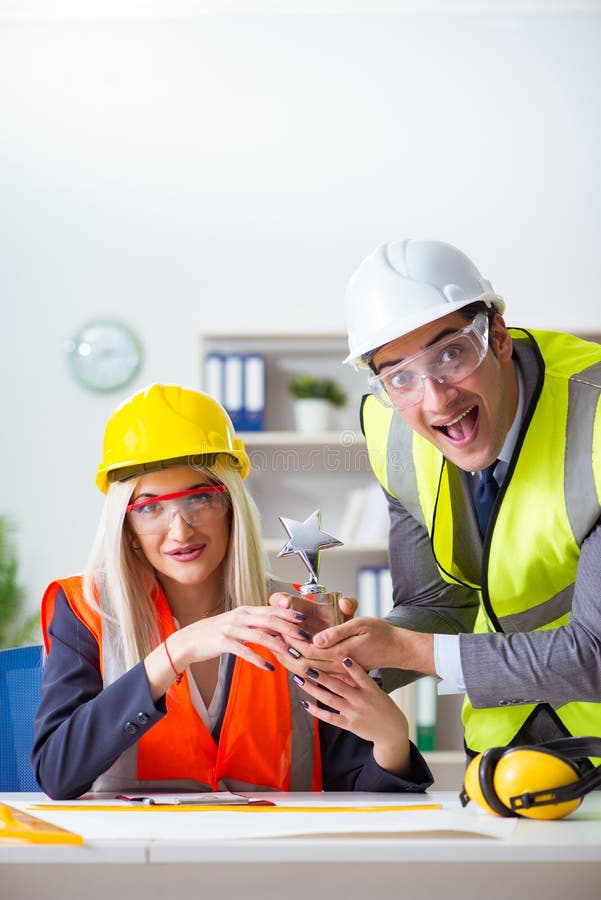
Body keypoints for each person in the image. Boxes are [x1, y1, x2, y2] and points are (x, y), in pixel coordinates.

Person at [276, 238, 601, 760]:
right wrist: (347, 649)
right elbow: (439, 606)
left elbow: (597, 654)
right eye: (399, 376)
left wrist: (408, 648)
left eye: (451, 354)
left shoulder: (597, 421)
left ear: (496, 336)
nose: (436, 398)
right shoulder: (395, 436)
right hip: (501, 758)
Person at [32, 383, 432, 799]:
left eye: (200, 498)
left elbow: (357, 788)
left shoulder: (296, 614)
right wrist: (175, 652)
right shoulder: (84, 609)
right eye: (149, 507)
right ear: (127, 528)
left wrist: (391, 741)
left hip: (271, 855)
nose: (180, 529)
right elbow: (57, 774)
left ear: (232, 509)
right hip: (134, 856)